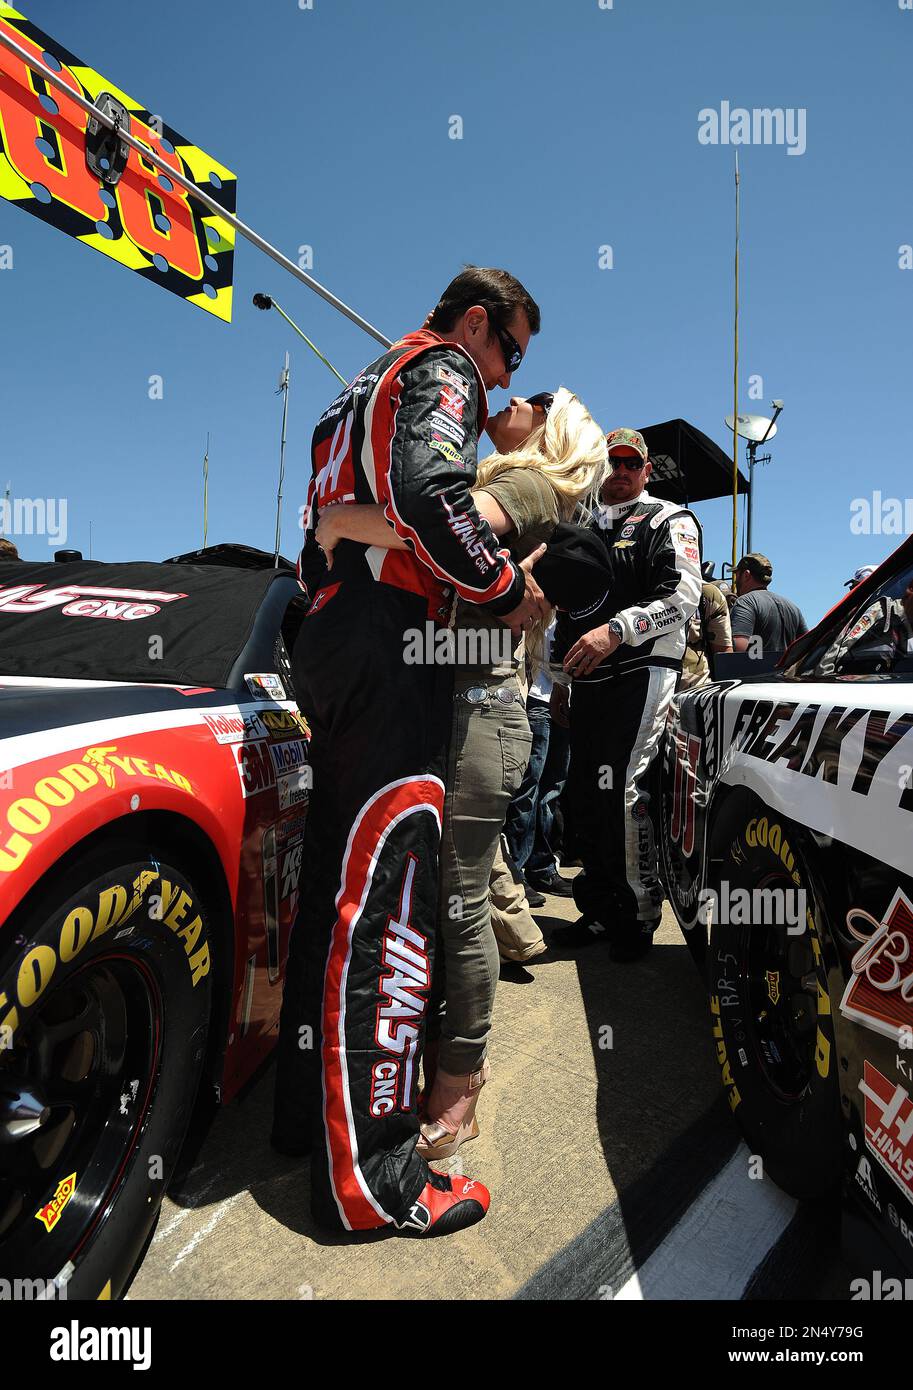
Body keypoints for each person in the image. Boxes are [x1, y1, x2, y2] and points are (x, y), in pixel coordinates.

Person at [272, 266, 547, 1237]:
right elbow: (433, 496)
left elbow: (328, 529)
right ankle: (374, 1180)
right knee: (388, 895)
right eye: (509, 349)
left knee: (334, 890)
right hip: (393, 636)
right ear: (477, 322)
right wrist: (507, 589)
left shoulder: (358, 386)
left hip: (334, 630)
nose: (508, 376)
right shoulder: (442, 369)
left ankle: (306, 1120)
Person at [315, 386, 608, 1158]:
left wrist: (343, 521)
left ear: (552, 426)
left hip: (479, 715)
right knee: (440, 898)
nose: (508, 395)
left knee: (458, 903)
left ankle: (460, 1082)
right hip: (462, 707)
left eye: (532, 396)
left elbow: (450, 536)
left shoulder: (529, 484)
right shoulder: (501, 477)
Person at [550, 427, 703, 961]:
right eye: (610, 462)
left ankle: (638, 913)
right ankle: (598, 909)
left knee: (627, 795)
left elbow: (683, 598)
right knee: (586, 797)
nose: (618, 470)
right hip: (588, 680)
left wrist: (618, 631)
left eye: (628, 462)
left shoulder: (669, 519)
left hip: (643, 671)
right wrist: (562, 683)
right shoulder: (584, 523)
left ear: (646, 469)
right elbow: (569, 610)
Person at [504, 616, 574, 898]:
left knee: (552, 788)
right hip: (535, 696)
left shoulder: (569, 605)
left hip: (562, 695)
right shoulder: (539, 595)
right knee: (528, 788)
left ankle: (542, 867)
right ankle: (517, 871)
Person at [728, 553, 807, 656]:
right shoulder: (793, 608)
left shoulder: (745, 602)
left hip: (756, 671)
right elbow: (807, 647)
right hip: (786, 671)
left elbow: (739, 650)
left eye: (737, 574)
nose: (735, 581)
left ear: (746, 575)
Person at [680, 579, 733, 690]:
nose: (730, 604)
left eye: (732, 601)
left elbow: (724, 655)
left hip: (695, 690)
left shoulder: (708, 594)